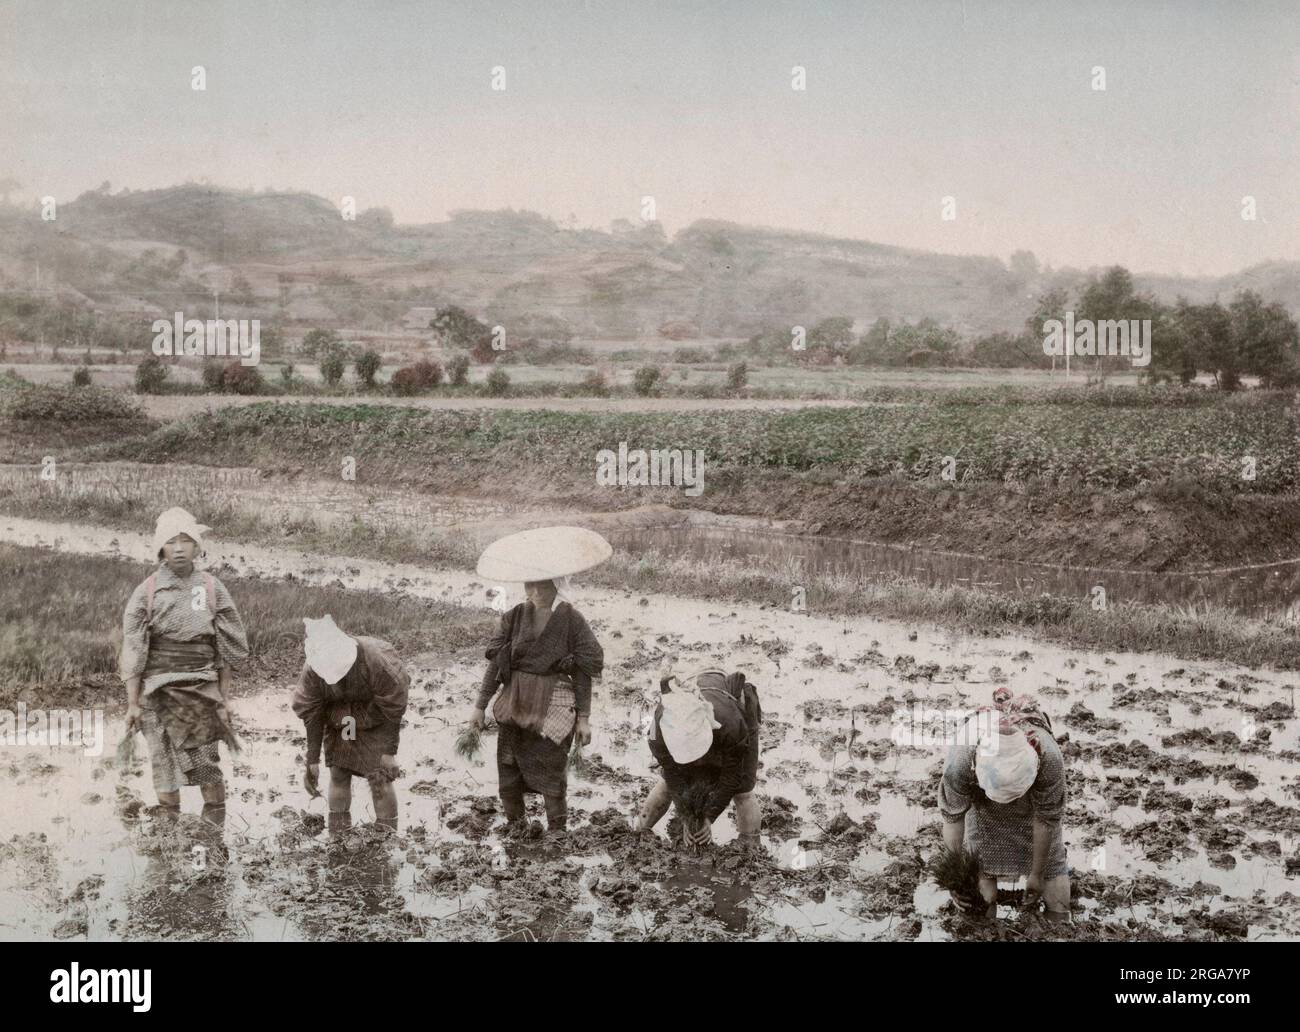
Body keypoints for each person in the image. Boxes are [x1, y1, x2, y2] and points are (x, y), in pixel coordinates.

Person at [121, 507, 249, 817]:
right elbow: (134, 650)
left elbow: (225, 648)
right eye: (171, 542)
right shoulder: (147, 592)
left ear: (197, 546)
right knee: (162, 765)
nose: (179, 548)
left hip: (201, 690)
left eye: (186, 541)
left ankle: (215, 838)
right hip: (157, 693)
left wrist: (224, 698)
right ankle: (169, 842)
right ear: (160, 548)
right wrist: (133, 704)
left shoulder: (212, 588)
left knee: (207, 765)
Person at [469, 578, 603, 836]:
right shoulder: (514, 617)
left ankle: (557, 833)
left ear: (557, 586)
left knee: (552, 773)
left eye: (544, 586)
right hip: (514, 702)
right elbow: (495, 664)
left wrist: (583, 718)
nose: (536, 592)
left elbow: (584, 671)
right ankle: (517, 829)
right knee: (509, 772)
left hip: (554, 703)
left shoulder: (572, 620)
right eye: (530, 586)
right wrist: (479, 706)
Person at [937, 687, 1070, 921]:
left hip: (1032, 801)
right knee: (978, 889)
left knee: (1057, 901)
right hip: (983, 805)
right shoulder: (961, 759)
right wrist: (957, 878)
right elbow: (953, 817)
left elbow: (1046, 818)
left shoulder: (1048, 756)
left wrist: (1036, 875)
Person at [291, 615, 409, 832]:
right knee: (339, 771)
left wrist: (389, 752)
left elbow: (394, 706)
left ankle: (387, 835)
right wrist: (312, 760)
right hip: (341, 717)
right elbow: (313, 715)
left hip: (375, 714)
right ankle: (338, 834)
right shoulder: (313, 672)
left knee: (379, 777)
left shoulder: (376, 661)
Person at [634, 668, 762, 850]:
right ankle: (638, 834)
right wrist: (686, 817)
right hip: (696, 693)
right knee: (666, 783)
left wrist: (710, 817)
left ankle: (751, 847)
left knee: (743, 790)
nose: (697, 764)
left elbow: (731, 777)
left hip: (729, 710)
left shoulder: (732, 727)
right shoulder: (658, 735)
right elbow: (672, 776)